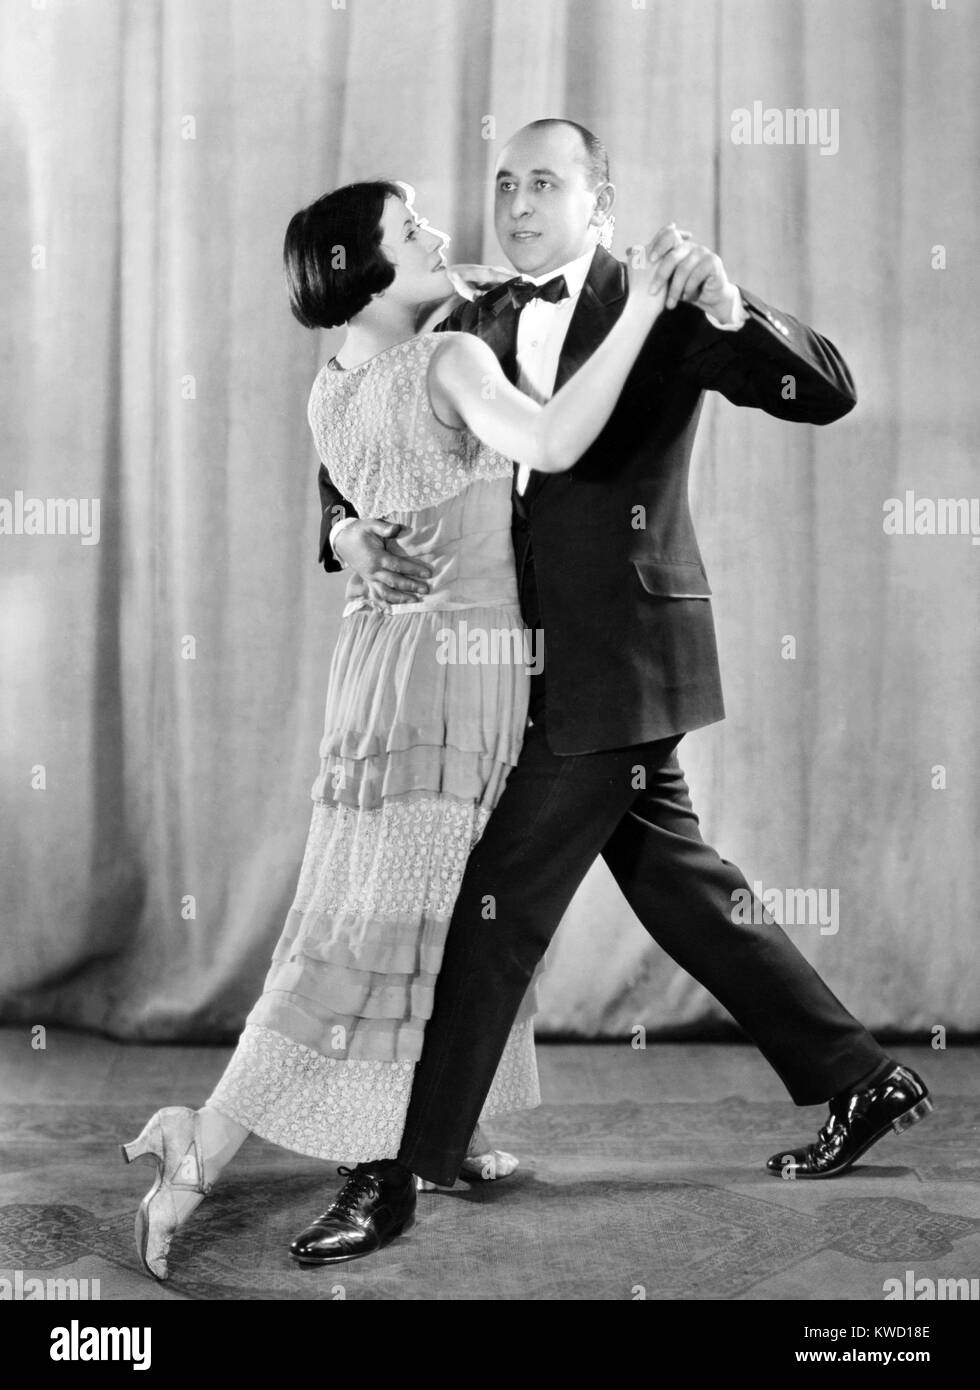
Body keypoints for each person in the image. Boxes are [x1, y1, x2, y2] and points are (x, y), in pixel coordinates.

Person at [293, 119, 932, 1265]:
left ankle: (391, 1172)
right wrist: (346, 534)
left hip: (620, 661)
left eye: (547, 181)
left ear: (601, 202)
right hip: (493, 672)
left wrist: (737, 309)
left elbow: (822, 389)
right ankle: (863, 1077)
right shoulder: (460, 314)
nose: (517, 200)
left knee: (488, 911)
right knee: (679, 885)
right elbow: (356, 437)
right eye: (504, 180)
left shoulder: (669, 302)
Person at [119, 175, 675, 1278]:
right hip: (453, 681)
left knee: (430, 912)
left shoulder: (332, 380)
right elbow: (554, 440)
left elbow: (350, 500)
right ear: (357, 269)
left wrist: (352, 541)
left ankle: (443, 1128)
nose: (438, 233)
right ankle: (211, 1145)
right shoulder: (447, 359)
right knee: (377, 931)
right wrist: (648, 304)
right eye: (407, 229)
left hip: (375, 671)